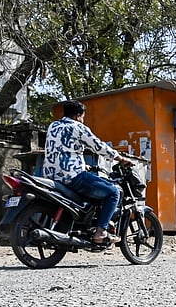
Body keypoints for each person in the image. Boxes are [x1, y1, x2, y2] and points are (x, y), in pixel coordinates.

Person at [42, 100, 122, 244]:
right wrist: (118, 157)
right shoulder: (78, 127)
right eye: (83, 117)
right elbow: (98, 146)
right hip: (72, 176)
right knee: (113, 192)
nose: (83, 119)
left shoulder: (53, 126)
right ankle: (101, 232)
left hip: (50, 175)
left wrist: (83, 165)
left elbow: (64, 149)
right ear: (78, 116)